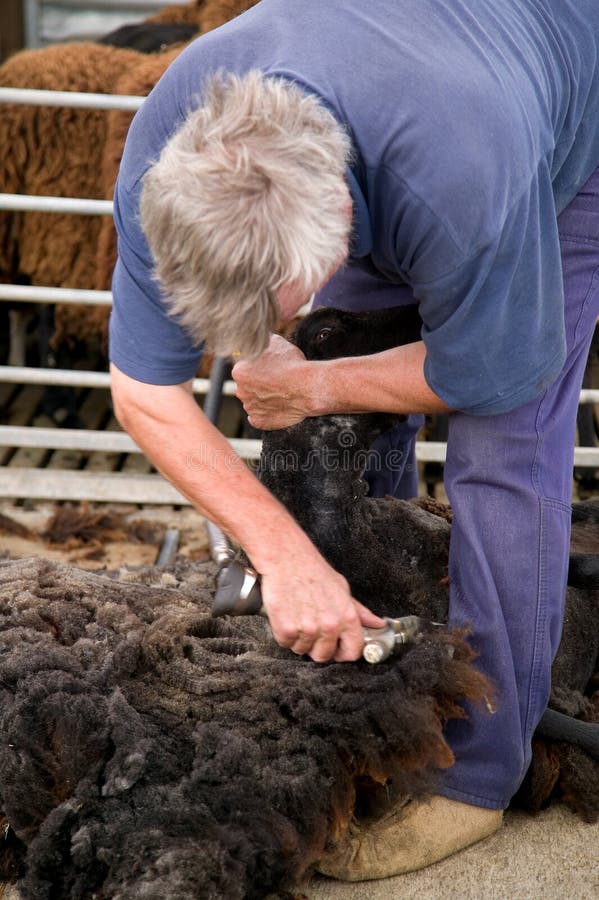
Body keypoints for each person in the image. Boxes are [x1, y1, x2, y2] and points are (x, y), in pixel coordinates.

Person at [109, 0, 599, 880]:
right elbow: (145, 391)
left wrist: (311, 382)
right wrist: (284, 553)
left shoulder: (464, 176)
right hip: (397, 110)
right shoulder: (164, 158)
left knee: (506, 447)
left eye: (284, 297)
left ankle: (478, 775)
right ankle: (375, 668)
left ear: (337, 219)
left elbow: (493, 377)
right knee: (351, 360)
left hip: (559, 115)